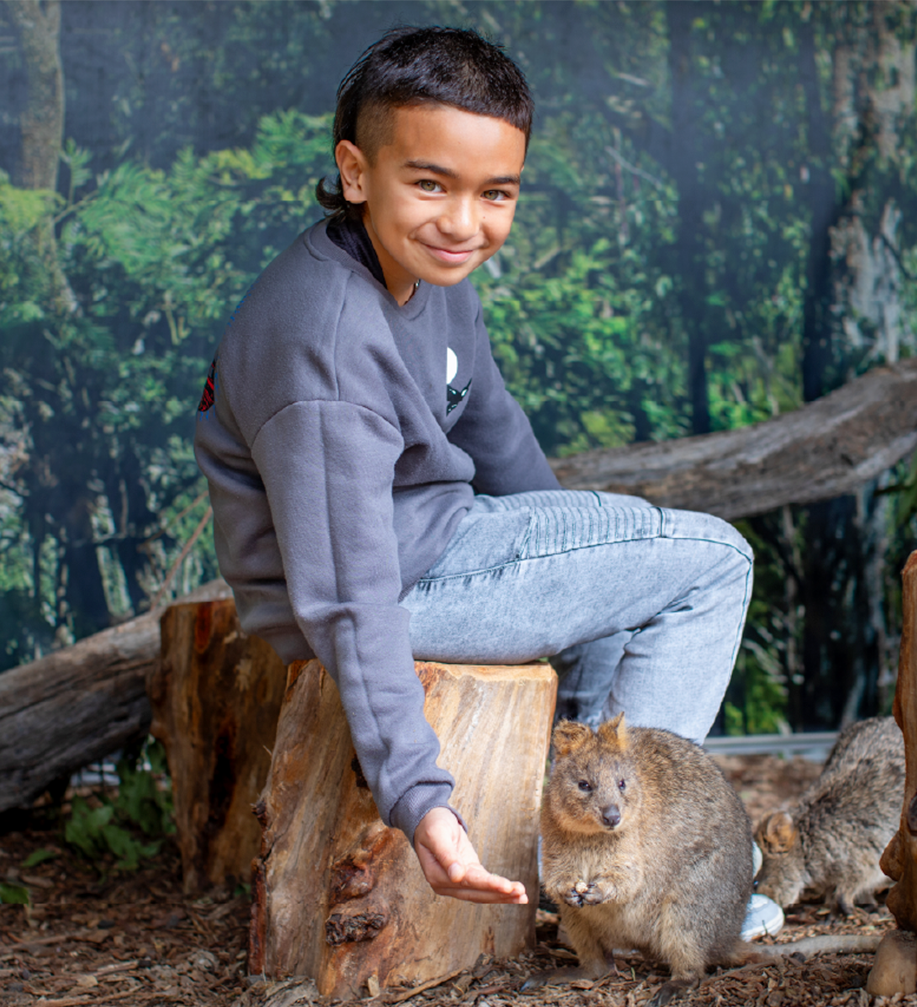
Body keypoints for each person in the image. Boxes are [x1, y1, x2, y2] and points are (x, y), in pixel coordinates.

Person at [194, 26, 761, 919]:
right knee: (713, 563)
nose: (465, 221)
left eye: (495, 192)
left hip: (435, 548)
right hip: (386, 584)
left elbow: (493, 429)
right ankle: (627, 879)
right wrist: (420, 798)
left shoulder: (428, 266)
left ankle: (573, 866)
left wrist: (581, 555)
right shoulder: (328, 345)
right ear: (355, 171)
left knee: (630, 575)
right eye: (430, 183)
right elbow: (347, 591)